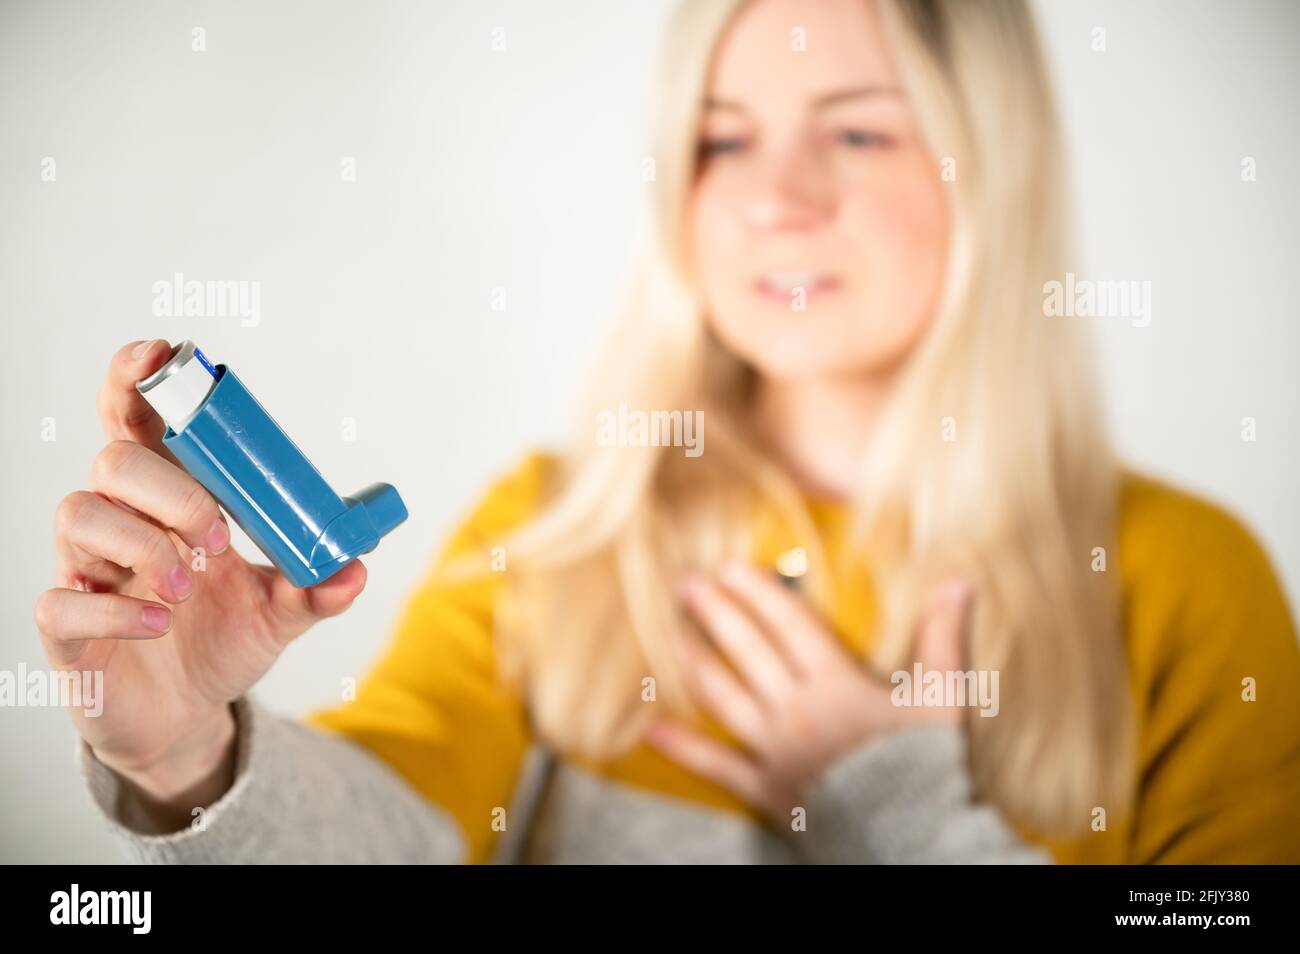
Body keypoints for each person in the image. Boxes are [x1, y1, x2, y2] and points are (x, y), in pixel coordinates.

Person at [36, 0, 1300, 863]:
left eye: (856, 130)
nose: (771, 200)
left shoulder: (1188, 579)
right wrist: (191, 756)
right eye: (720, 138)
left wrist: (893, 803)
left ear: (995, 162)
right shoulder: (552, 533)